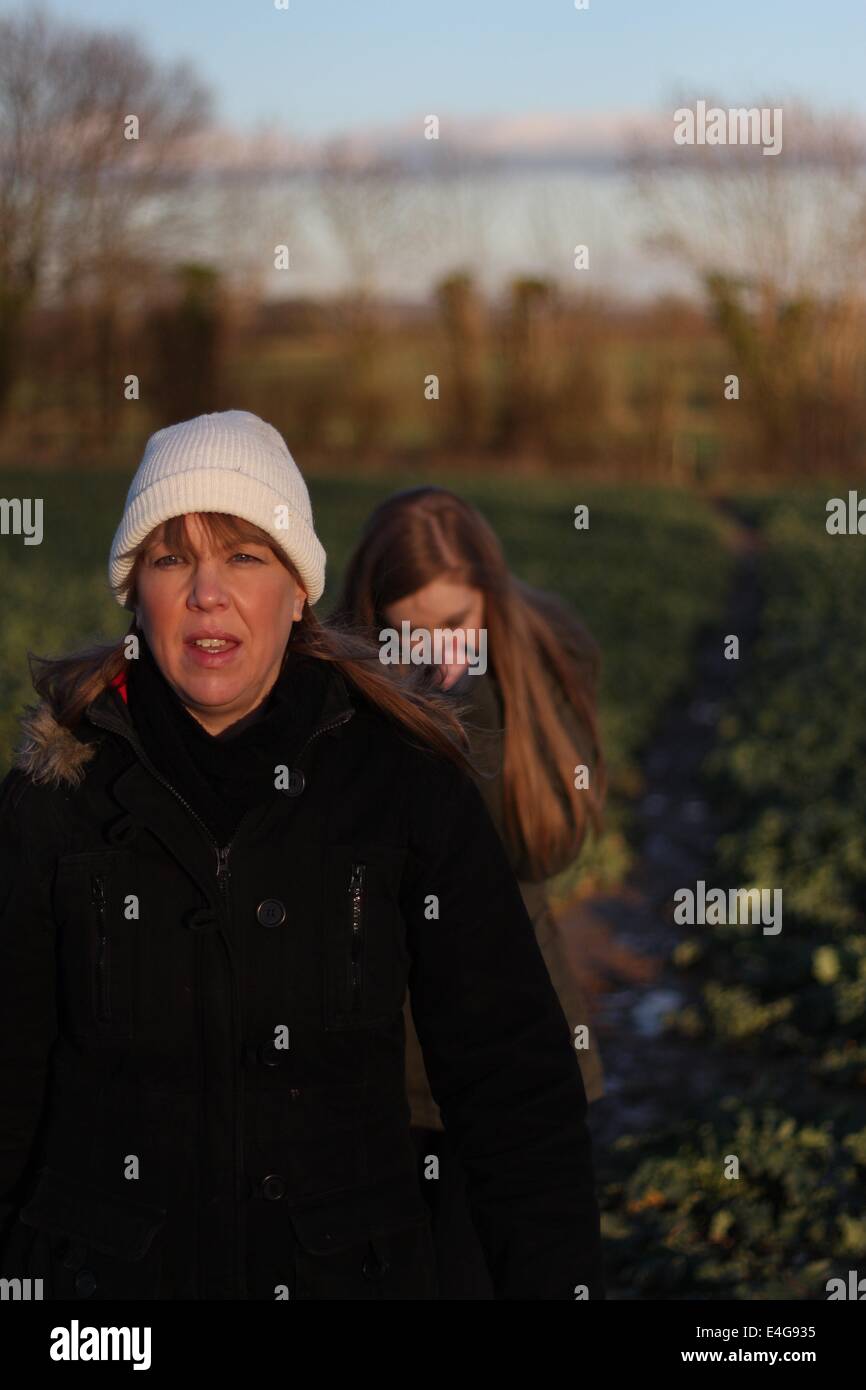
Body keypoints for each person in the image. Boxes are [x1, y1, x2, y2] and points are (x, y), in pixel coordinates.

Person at [0, 410, 603, 1301]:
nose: (209, 593)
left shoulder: (409, 788)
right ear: (135, 594)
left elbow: (512, 1082)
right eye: (171, 559)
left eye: (245, 556)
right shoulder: (54, 802)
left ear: (298, 591)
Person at [334, 485, 606, 1297]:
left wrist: (465, 713)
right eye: (405, 629)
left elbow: (541, 842)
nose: (433, 649)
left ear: (490, 601)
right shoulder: (344, 690)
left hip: (521, 1039)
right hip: (390, 1065)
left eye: (453, 626)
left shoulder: (544, 660)